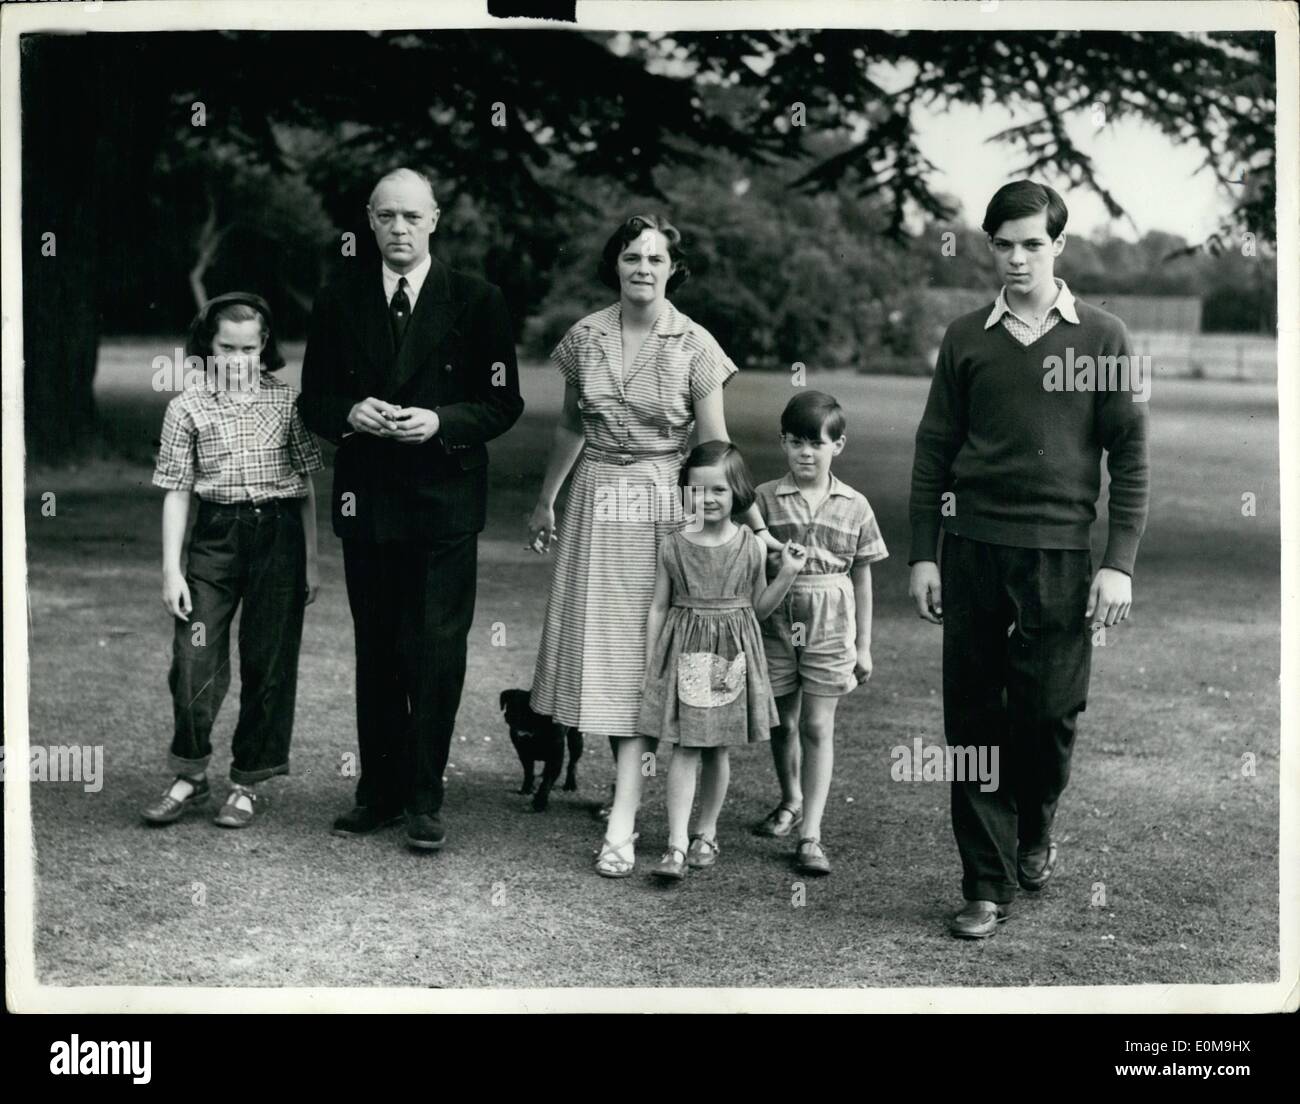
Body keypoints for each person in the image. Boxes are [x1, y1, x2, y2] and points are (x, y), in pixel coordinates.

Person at [907, 180, 1149, 938]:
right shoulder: (965, 337)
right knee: (974, 721)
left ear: (1059, 246)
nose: (1017, 258)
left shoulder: (1103, 338)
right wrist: (924, 554)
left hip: (1058, 559)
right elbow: (934, 452)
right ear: (991, 247)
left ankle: (1036, 825)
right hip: (973, 550)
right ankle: (986, 883)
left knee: (1048, 716)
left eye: (1032, 244)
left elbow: (1131, 455)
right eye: (1004, 245)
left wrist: (1120, 561)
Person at [526, 214, 782, 878]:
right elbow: (565, 428)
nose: (643, 267)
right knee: (609, 656)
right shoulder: (584, 338)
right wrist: (545, 497)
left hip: (663, 500)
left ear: (673, 268)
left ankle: (640, 814)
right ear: (615, 264)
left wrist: (755, 527)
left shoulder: (695, 344)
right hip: (595, 501)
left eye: (656, 259)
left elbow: (715, 451)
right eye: (632, 257)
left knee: (650, 655)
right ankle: (624, 802)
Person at [298, 167, 523, 852]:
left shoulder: (477, 300)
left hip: (444, 504)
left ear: (435, 220)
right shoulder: (340, 298)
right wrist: (350, 412)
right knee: (378, 651)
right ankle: (379, 792)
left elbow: (502, 401)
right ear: (369, 220)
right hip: (368, 504)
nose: (399, 229)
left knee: (434, 652)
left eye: (412, 217)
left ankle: (424, 799)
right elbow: (313, 399)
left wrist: (439, 421)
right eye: (387, 217)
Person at [144, 292, 322, 829]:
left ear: (264, 345)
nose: (238, 359)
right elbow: (177, 490)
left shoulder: (287, 402)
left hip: (279, 539)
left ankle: (247, 781)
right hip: (215, 540)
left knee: (268, 663)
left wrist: (312, 562)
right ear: (208, 344)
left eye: (249, 348)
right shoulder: (186, 407)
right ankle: (190, 774)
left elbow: (307, 484)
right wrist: (172, 569)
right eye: (227, 347)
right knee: (194, 658)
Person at [638, 441, 806, 882]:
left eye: (718, 491)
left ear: (737, 494)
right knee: (686, 745)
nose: (707, 500)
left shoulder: (750, 545)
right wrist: (652, 663)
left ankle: (706, 832)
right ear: (684, 492)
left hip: (733, 653)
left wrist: (786, 572)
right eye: (697, 490)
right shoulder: (673, 544)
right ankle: (675, 843)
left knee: (717, 747)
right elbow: (658, 605)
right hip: (685, 649)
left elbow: (759, 608)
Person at [751, 391, 888, 876]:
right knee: (782, 722)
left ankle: (811, 833)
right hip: (777, 618)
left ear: (838, 446)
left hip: (832, 620)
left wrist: (863, 646)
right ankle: (789, 799)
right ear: (783, 443)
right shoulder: (764, 498)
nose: (804, 453)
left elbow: (863, 576)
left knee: (816, 725)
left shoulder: (855, 505)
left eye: (816, 443)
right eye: (794, 442)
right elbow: (749, 559)